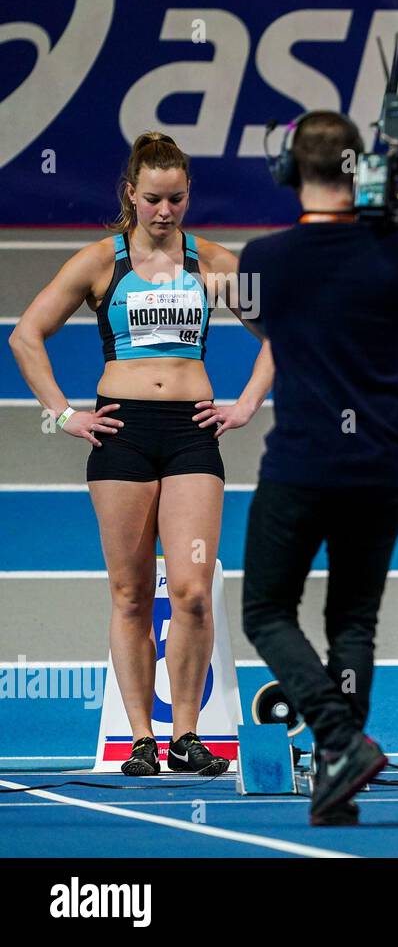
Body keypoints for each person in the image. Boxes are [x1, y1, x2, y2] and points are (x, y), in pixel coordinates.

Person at [8, 132, 272, 776]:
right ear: (130, 194)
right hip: (121, 435)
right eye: (152, 199)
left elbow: (284, 335)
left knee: (192, 591)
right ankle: (139, 739)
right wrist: (64, 413)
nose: (164, 211)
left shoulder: (215, 264)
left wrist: (246, 404)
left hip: (191, 434)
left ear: (188, 197)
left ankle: (185, 735)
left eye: (176, 199)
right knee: (129, 594)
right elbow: (25, 336)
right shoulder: (101, 261)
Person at [238, 110, 398, 825]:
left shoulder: (262, 257)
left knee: (266, 610)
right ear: (359, 171)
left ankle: (336, 735)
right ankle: (340, 767)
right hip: (383, 464)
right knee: (353, 620)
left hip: (301, 461)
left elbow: (261, 324)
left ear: (290, 171)